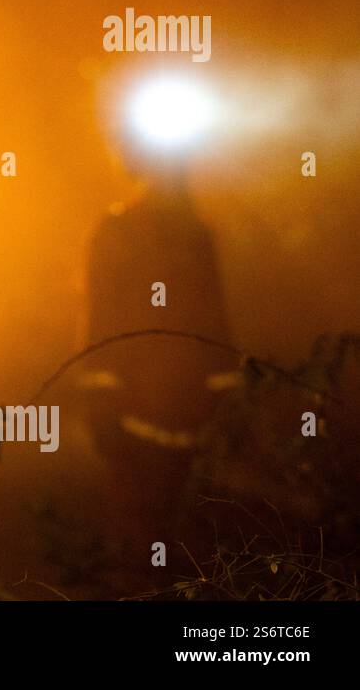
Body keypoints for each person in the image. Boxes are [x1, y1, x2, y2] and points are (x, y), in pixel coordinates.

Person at [76, 138, 237, 544]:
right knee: (144, 523)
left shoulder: (196, 235)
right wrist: (102, 398)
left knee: (183, 529)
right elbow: (103, 316)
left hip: (188, 407)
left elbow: (212, 314)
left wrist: (225, 393)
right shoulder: (119, 231)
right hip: (140, 405)